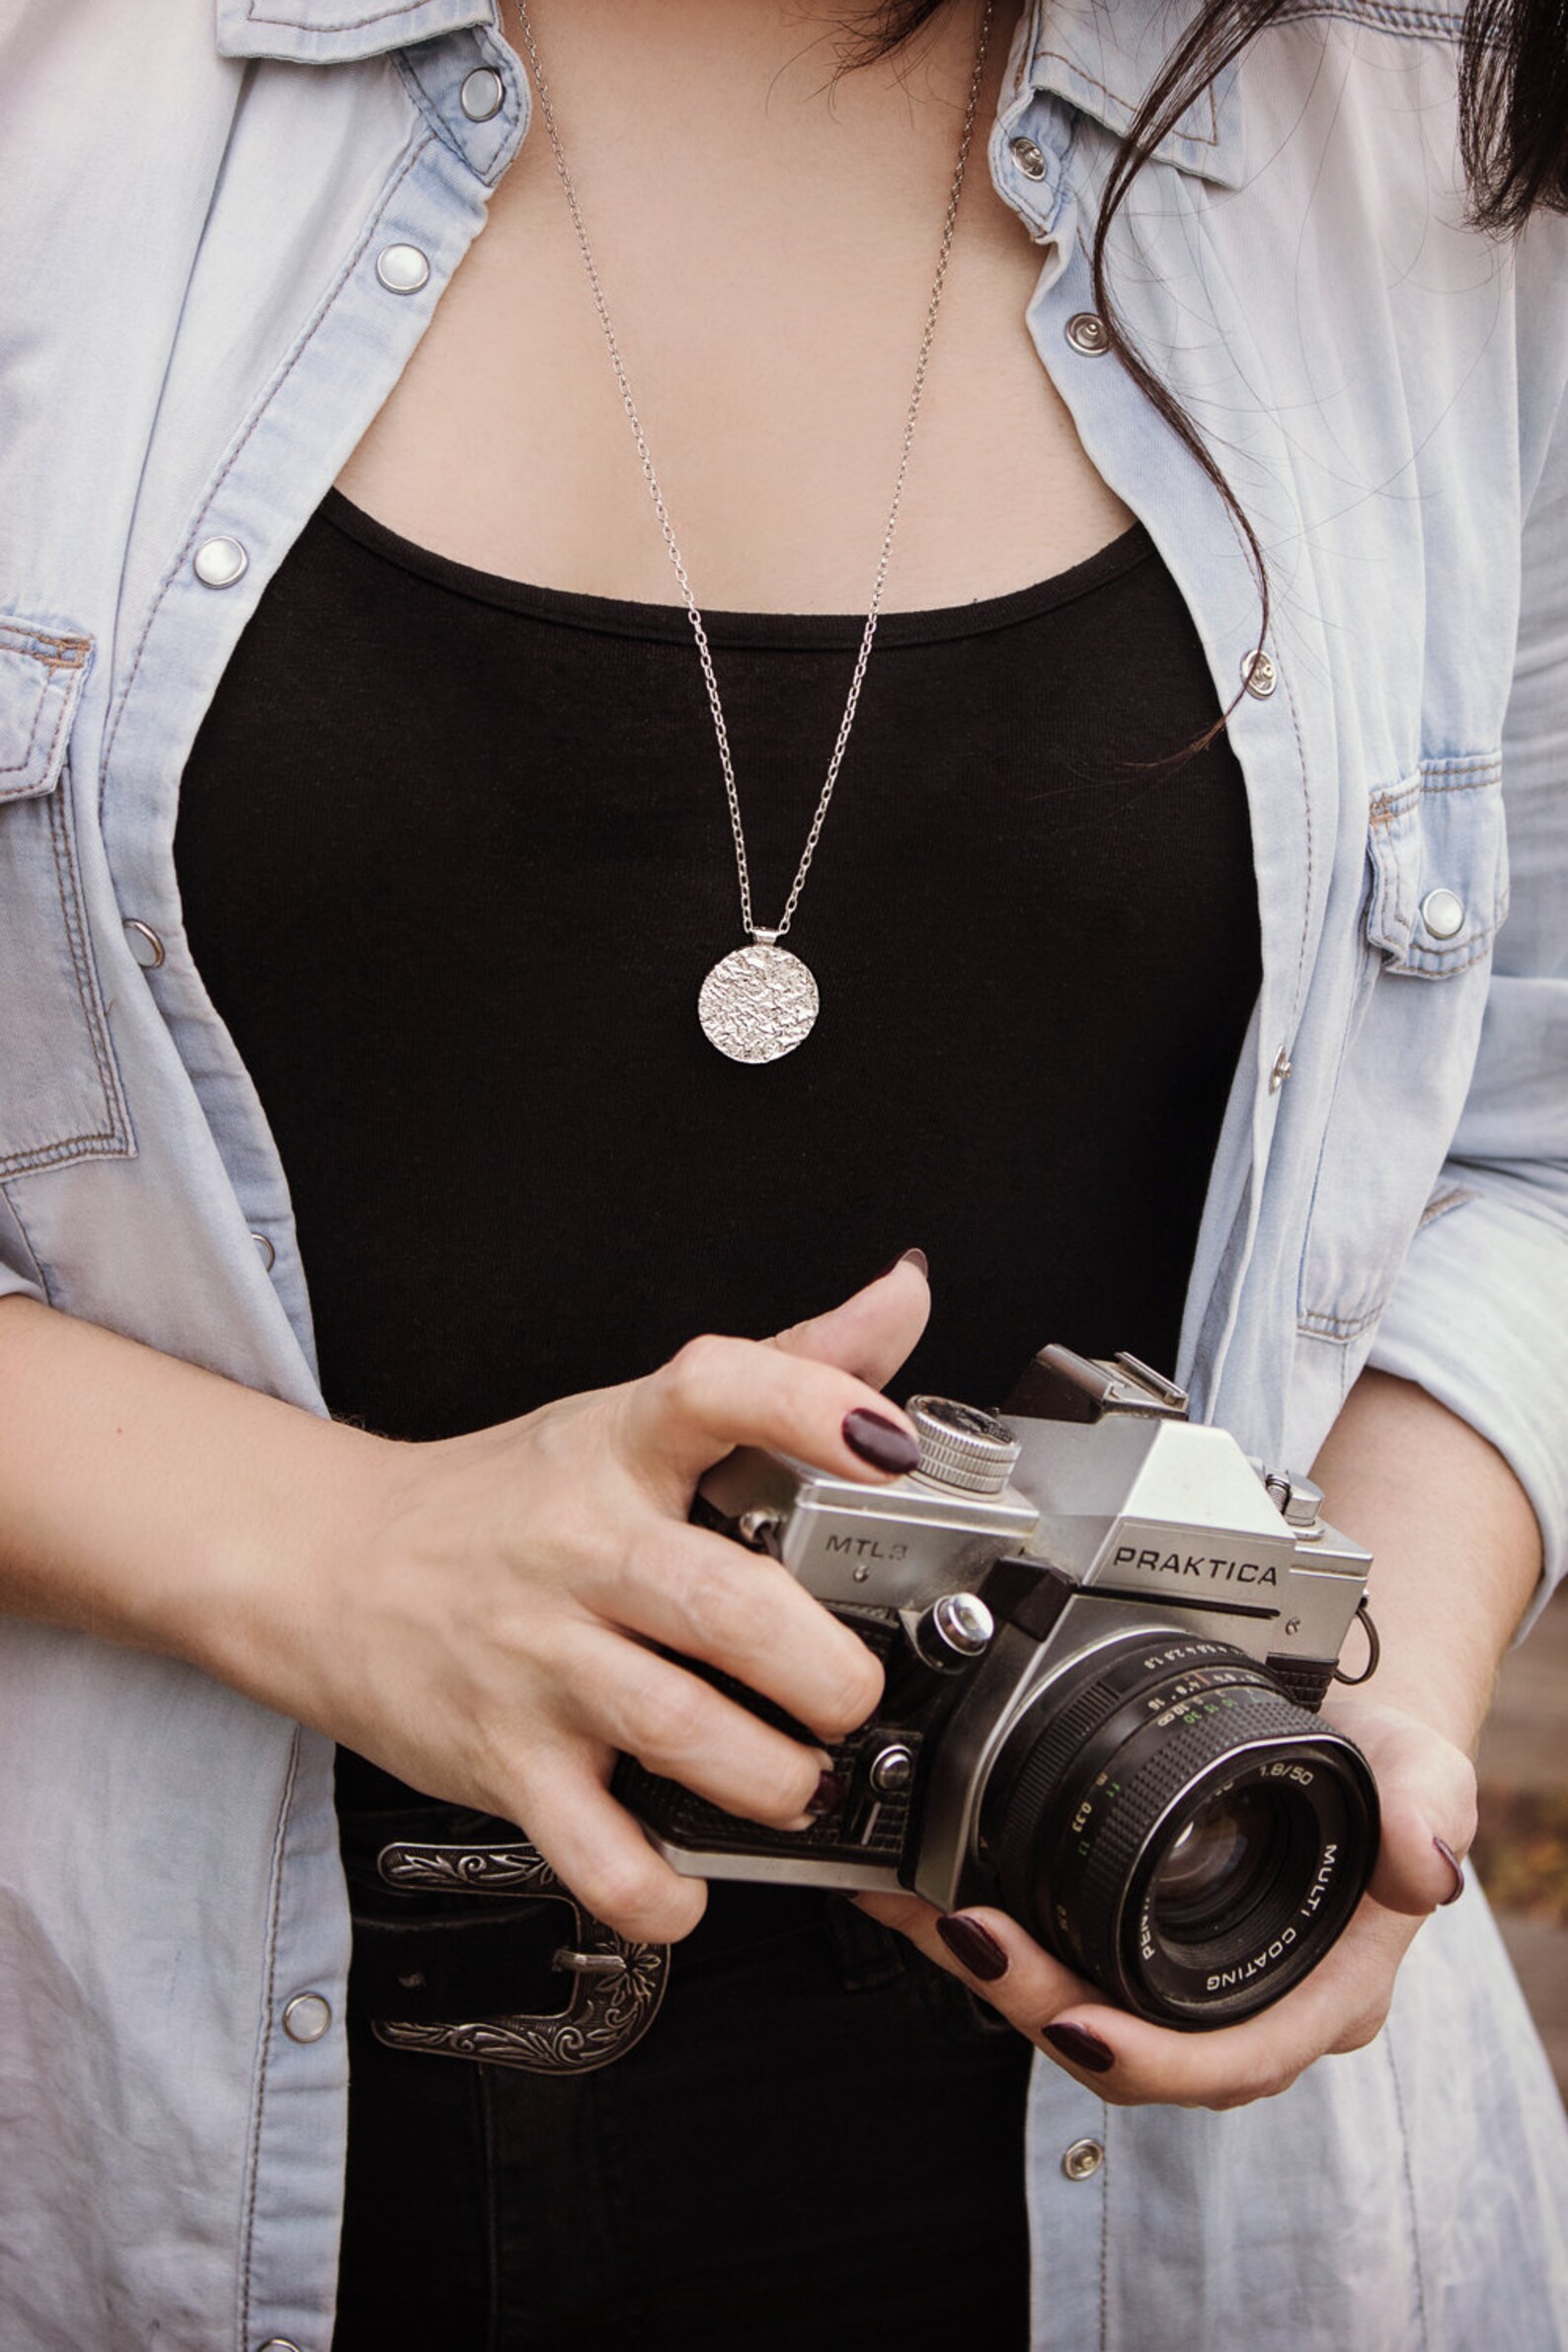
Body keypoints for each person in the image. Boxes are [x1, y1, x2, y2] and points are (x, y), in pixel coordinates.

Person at [2, 0, 1566, 2345]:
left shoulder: (1420, 115)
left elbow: (1530, 1137)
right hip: (134, 2155)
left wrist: (1372, 1704)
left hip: (1210, 2199)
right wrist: (327, 1555)